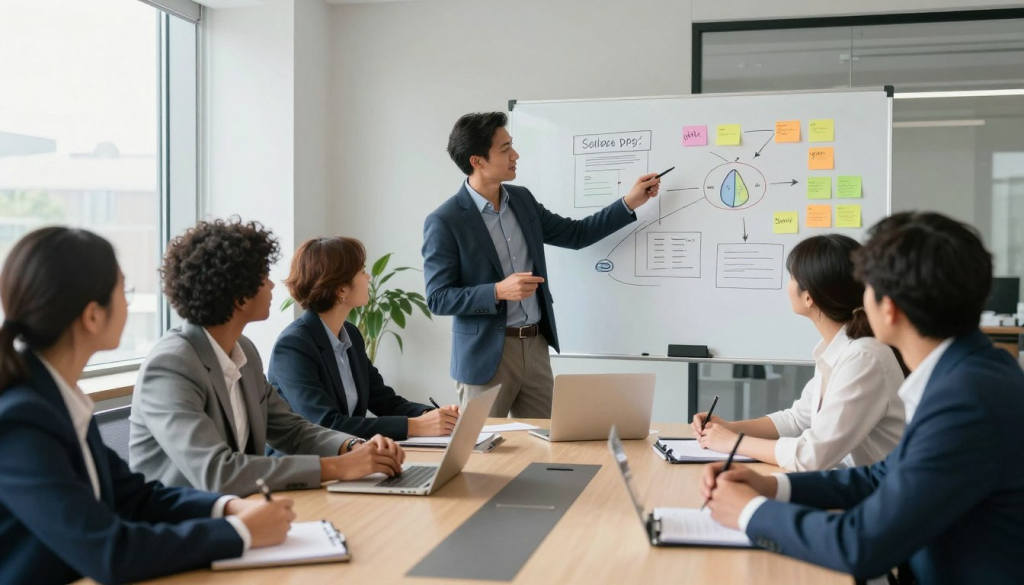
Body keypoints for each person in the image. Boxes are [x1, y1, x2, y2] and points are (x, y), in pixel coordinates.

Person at [700, 212, 1024, 584]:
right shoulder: (969, 372)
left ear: (889, 307)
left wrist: (749, 512)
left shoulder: (967, 401)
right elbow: (881, 477)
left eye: (866, 286)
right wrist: (771, 486)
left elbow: (862, 545)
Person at [0, 227, 295, 584]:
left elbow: (136, 497)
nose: (129, 301)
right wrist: (239, 533)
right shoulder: (21, 419)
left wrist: (228, 507)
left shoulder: (59, 398)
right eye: (123, 290)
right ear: (93, 315)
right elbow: (110, 551)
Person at [130, 219, 405, 496]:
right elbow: (217, 472)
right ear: (239, 296)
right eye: (263, 276)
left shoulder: (244, 351)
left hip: (245, 507)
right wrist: (338, 467)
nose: (273, 284)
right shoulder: (171, 365)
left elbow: (293, 430)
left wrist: (353, 447)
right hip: (186, 524)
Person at [423, 111, 661, 417]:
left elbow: (576, 234)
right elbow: (438, 298)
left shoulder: (522, 201)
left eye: (512, 145)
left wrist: (629, 202)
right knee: (486, 454)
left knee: (545, 449)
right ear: (477, 161)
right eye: (505, 149)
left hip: (535, 347)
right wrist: (497, 291)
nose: (515, 155)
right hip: (485, 358)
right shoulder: (445, 221)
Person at [692, 234, 905, 471]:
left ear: (808, 296)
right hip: (846, 485)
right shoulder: (837, 350)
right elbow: (796, 419)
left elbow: (811, 456)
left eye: (792, 277)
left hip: (870, 495)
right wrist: (730, 428)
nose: (787, 286)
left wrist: (734, 442)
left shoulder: (864, 358)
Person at [269, 236, 460, 439]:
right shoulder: (293, 346)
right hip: (305, 464)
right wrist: (415, 426)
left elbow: (384, 401)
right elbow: (326, 424)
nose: (368, 277)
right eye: (361, 271)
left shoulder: (351, 334)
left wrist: (431, 416)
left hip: (348, 456)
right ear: (341, 289)